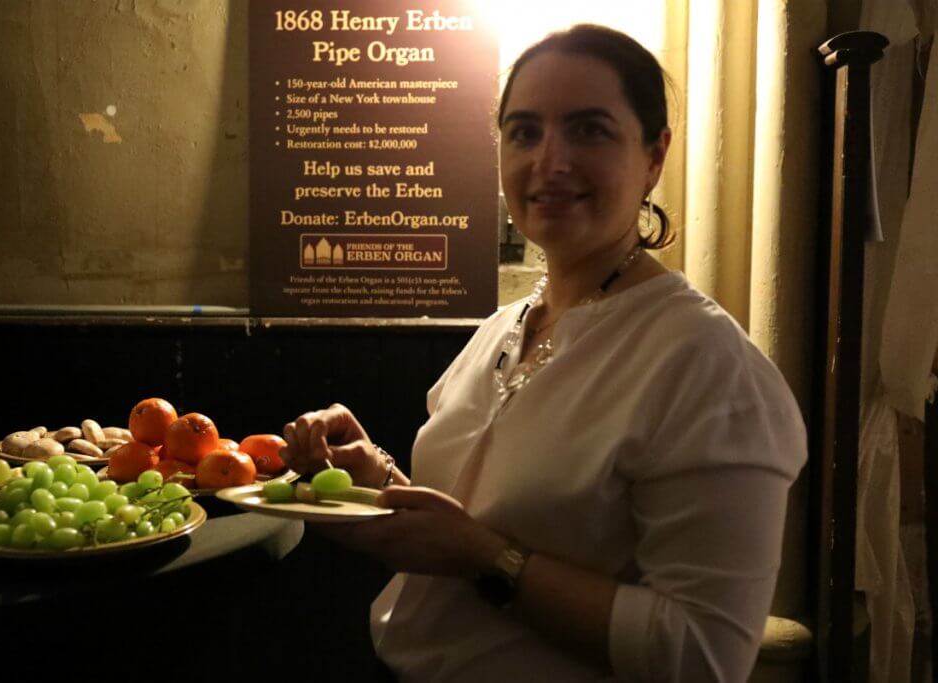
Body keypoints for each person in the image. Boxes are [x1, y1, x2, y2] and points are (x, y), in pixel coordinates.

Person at [281, 24, 807, 683]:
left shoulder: (706, 364)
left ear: (654, 156)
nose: (549, 162)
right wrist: (379, 482)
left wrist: (487, 559)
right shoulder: (503, 329)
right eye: (525, 132)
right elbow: (474, 527)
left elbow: (702, 653)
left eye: (589, 130)